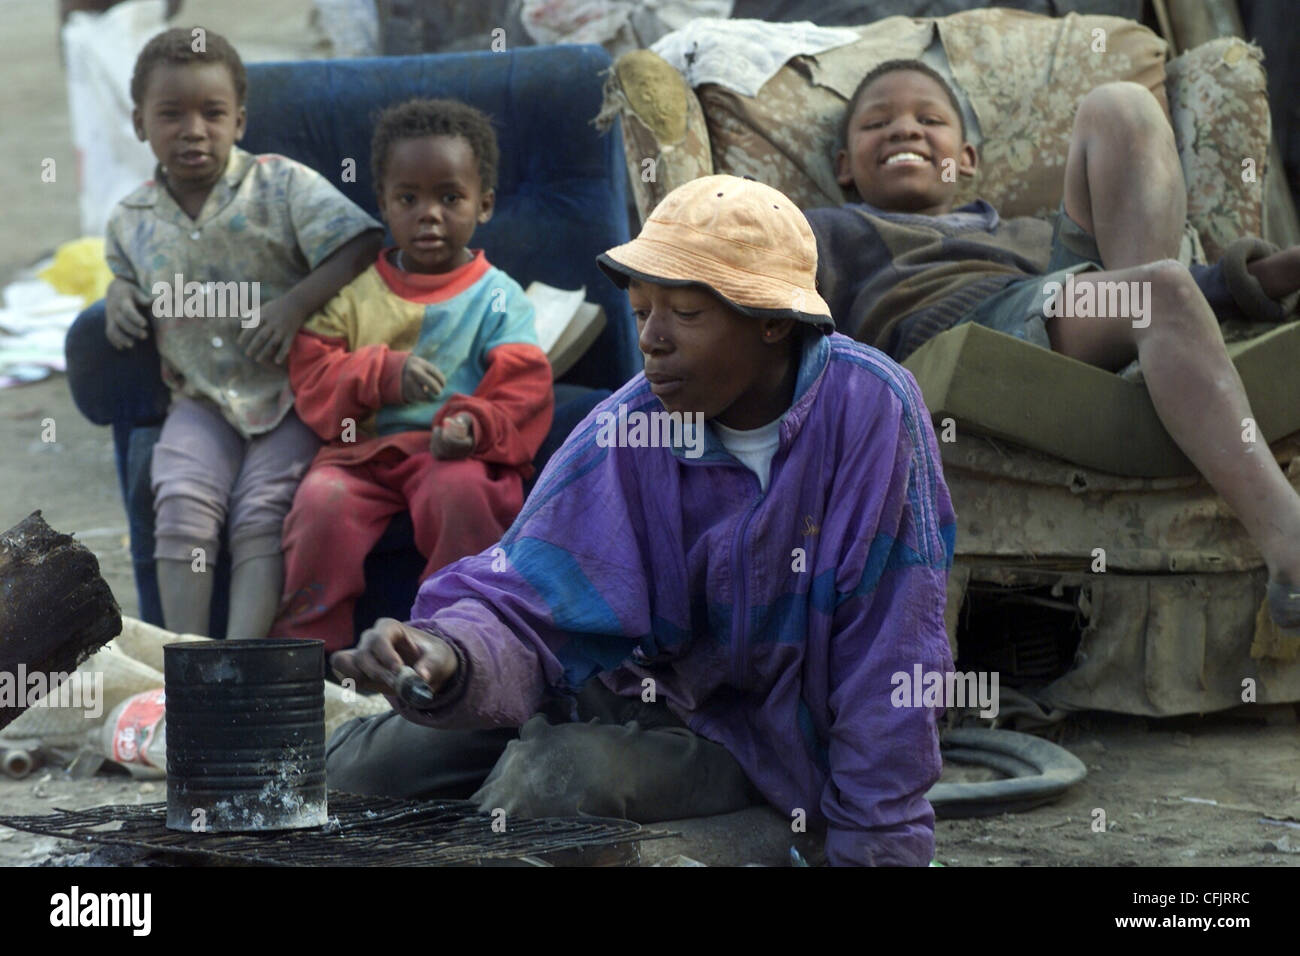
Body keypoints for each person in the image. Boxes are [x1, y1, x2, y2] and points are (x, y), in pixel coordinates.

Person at [329, 174, 957, 867]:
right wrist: (446, 655)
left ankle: (767, 837)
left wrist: (875, 849)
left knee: (551, 780)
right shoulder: (630, 428)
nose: (652, 340)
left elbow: (894, 658)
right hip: (623, 692)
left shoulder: (870, 413)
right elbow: (528, 594)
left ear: (773, 321)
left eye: (685, 313)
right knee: (362, 775)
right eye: (641, 311)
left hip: (759, 748)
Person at [809, 59, 1300, 632]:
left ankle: (1152, 364)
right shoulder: (827, 231)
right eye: (876, 124)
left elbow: (1155, 288)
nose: (904, 129)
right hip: (958, 333)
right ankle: (1290, 548)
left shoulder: (1027, 231)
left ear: (966, 159)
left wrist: (1269, 274)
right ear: (844, 166)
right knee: (1158, 292)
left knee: (1122, 103)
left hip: (1058, 297)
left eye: (929, 119)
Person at [102, 27, 383, 638]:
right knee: (179, 500)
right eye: (171, 114)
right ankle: (187, 659)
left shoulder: (281, 185)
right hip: (200, 399)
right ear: (139, 123)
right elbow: (124, 272)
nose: (193, 129)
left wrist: (292, 306)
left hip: (291, 398)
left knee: (262, 510)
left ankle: (245, 658)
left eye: (213, 113)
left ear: (240, 121)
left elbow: (362, 240)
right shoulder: (130, 220)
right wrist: (118, 293)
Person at [272, 99, 553, 653]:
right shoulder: (353, 295)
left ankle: (456, 643)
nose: (429, 214)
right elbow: (313, 378)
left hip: (452, 454)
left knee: (467, 495)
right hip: (362, 456)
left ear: (485, 204)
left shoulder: (498, 297)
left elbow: (526, 389)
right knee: (319, 503)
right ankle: (309, 657)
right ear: (383, 204)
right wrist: (380, 375)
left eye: (450, 198)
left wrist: (472, 425)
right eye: (409, 198)